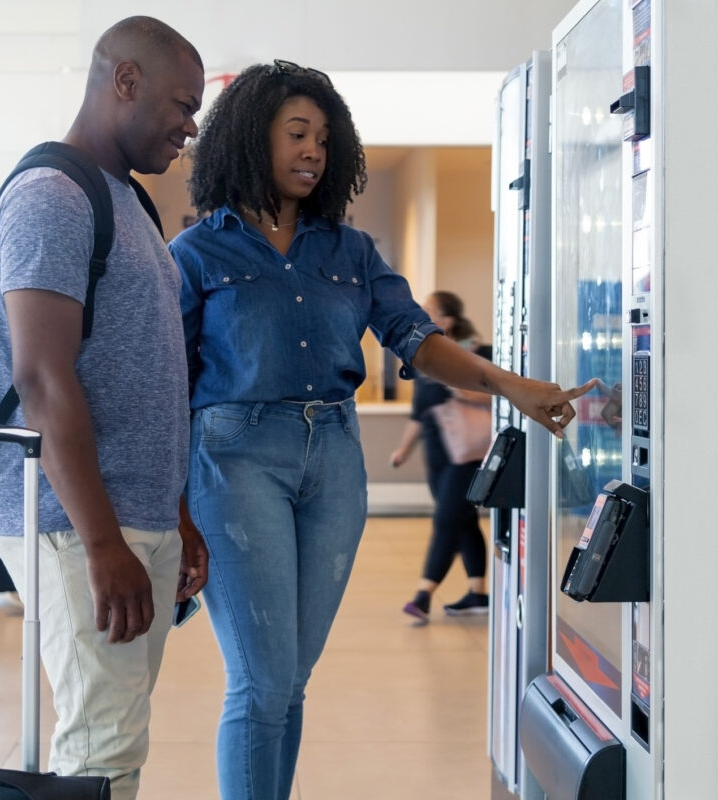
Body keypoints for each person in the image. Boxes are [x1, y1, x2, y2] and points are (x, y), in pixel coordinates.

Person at [168, 61, 592, 800]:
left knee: (292, 679)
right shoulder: (199, 254)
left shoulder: (350, 252)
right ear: (247, 140)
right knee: (261, 680)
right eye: (297, 134)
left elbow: (413, 336)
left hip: (333, 458)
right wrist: (170, 507)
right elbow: (167, 383)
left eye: (324, 139)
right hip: (234, 459)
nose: (313, 151)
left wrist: (506, 383)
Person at [0, 17, 209, 799]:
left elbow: (147, 370)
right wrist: (103, 542)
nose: (191, 124)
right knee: (101, 748)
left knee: (115, 730)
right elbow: (42, 379)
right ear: (125, 82)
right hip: (70, 520)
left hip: (128, 516)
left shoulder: (130, 204)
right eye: (182, 103)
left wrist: (172, 513)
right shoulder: (52, 197)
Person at [390, 290, 493, 622]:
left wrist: (452, 379)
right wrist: (404, 449)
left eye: (429, 309)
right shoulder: (424, 355)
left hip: (468, 452)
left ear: (447, 320)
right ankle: (478, 592)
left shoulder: (476, 353)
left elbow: (494, 397)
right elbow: (420, 413)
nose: (421, 312)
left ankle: (423, 595)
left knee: (445, 520)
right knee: (463, 521)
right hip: (438, 452)